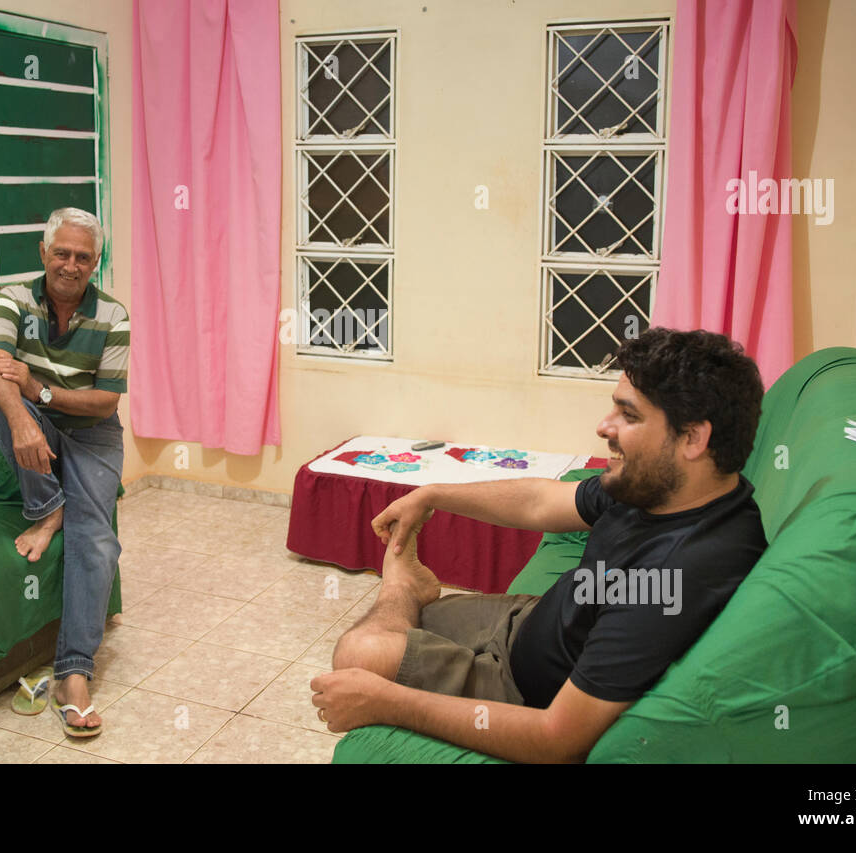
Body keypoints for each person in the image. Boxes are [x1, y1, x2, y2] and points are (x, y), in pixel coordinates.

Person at [311, 327, 767, 763]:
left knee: (360, 657)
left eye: (628, 415)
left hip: (520, 689)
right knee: (382, 643)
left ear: (693, 438)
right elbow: (540, 501)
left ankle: (401, 586)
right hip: (534, 618)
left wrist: (388, 702)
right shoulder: (664, 485)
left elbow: (557, 740)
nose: (603, 427)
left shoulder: (673, 577)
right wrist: (433, 493)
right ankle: (404, 589)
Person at [0, 207, 130, 737]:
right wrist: (25, 418)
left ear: (96, 264)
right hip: (36, 419)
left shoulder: (114, 316)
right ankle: (49, 507)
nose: (71, 265)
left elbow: (104, 402)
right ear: (43, 254)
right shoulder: (14, 298)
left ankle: (73, 673)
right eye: (61, 253)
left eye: (83, 257)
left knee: (98, 543)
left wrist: (38, 389)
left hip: (91, 434)